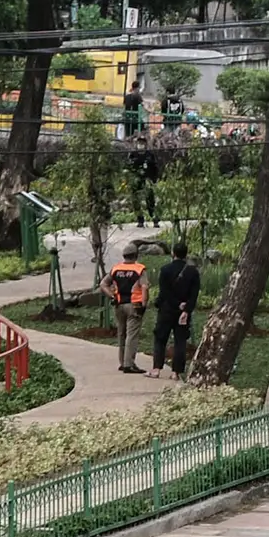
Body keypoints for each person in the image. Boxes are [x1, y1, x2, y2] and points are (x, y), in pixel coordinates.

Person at [150, 241, 201, 379]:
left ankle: (156, 369)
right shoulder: (193, 272)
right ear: (186, 254)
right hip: (183, 313)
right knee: (180, 341)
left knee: (160, 338)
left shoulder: (165, 270)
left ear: (173, 253)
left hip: (167, 310)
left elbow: (164, 292)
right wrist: (186, 309)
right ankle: (176, 372)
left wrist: (176, 304)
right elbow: (194, 294)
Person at [104, 245, 152, 374]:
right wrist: (144, 304)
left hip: (119, 305)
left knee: (121, 333)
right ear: (136, 255)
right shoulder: (139, 269)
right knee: (132, 334)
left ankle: (122, 362)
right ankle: (129, 364)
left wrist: (111, 295)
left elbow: (103, 284)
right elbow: (144, 287)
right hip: (134, 305)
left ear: (124, 255)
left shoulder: (116, 268)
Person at [128, 139, 163, 227]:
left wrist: (154, 179)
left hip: (148, 179)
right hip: (136, 180)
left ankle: (155, 219)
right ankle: (140, 220)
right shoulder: (133, 154)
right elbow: (129, 167)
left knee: (150, 200)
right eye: (139, 143)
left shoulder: (150, 155)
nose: (141, 145)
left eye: (142, 143)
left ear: (145, 144)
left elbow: (155, 167)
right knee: (136, 200)